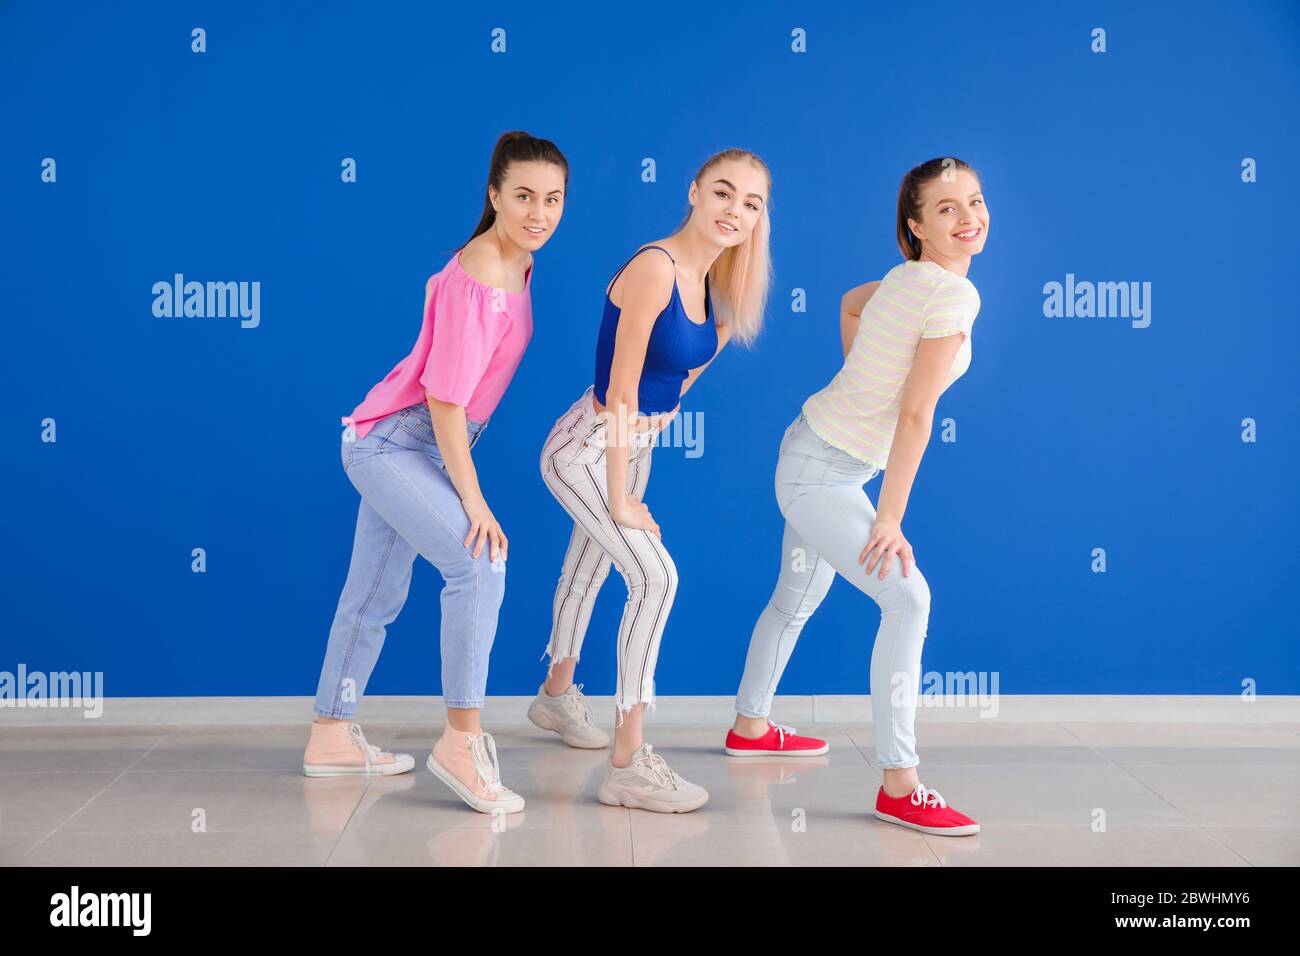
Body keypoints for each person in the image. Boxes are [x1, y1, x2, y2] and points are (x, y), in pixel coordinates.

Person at [303, 131, 568, 815]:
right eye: (524, 197)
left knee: (373, 592)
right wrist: (474, 502)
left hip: (417, 442)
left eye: (552, 199)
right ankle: (461, 740)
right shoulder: (480, 270)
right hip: (395, 443)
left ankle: (331, 733)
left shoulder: (517, 263)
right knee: (479, 563)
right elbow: (445, 402)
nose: (539, 213)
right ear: (494, 196)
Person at [727, 157, 989, 837]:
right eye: (947, 209)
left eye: (975, 203)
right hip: (823, 473)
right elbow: (915, 415)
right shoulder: (953, 295)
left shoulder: (910, 279)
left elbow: (850, 303)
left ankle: (750, 726)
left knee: (795, 599)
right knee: (908, 597)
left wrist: (859, 387)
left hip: (811, 453)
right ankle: (899, 784)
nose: (969, 218)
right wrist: (891, 519)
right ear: (916, 226)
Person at [534, 148, 772, 813]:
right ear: (693, 190)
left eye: (751, 204)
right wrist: (618, 493)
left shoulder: (717, 289)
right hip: (585, 449)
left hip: (630, 450)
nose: (735, 211)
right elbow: (618, 389)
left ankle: (555, 698)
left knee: (590, 570)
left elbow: (680, 376)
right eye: (723, 193)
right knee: (655, 577)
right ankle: (629, 762)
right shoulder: (654, 268)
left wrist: (641, 454)